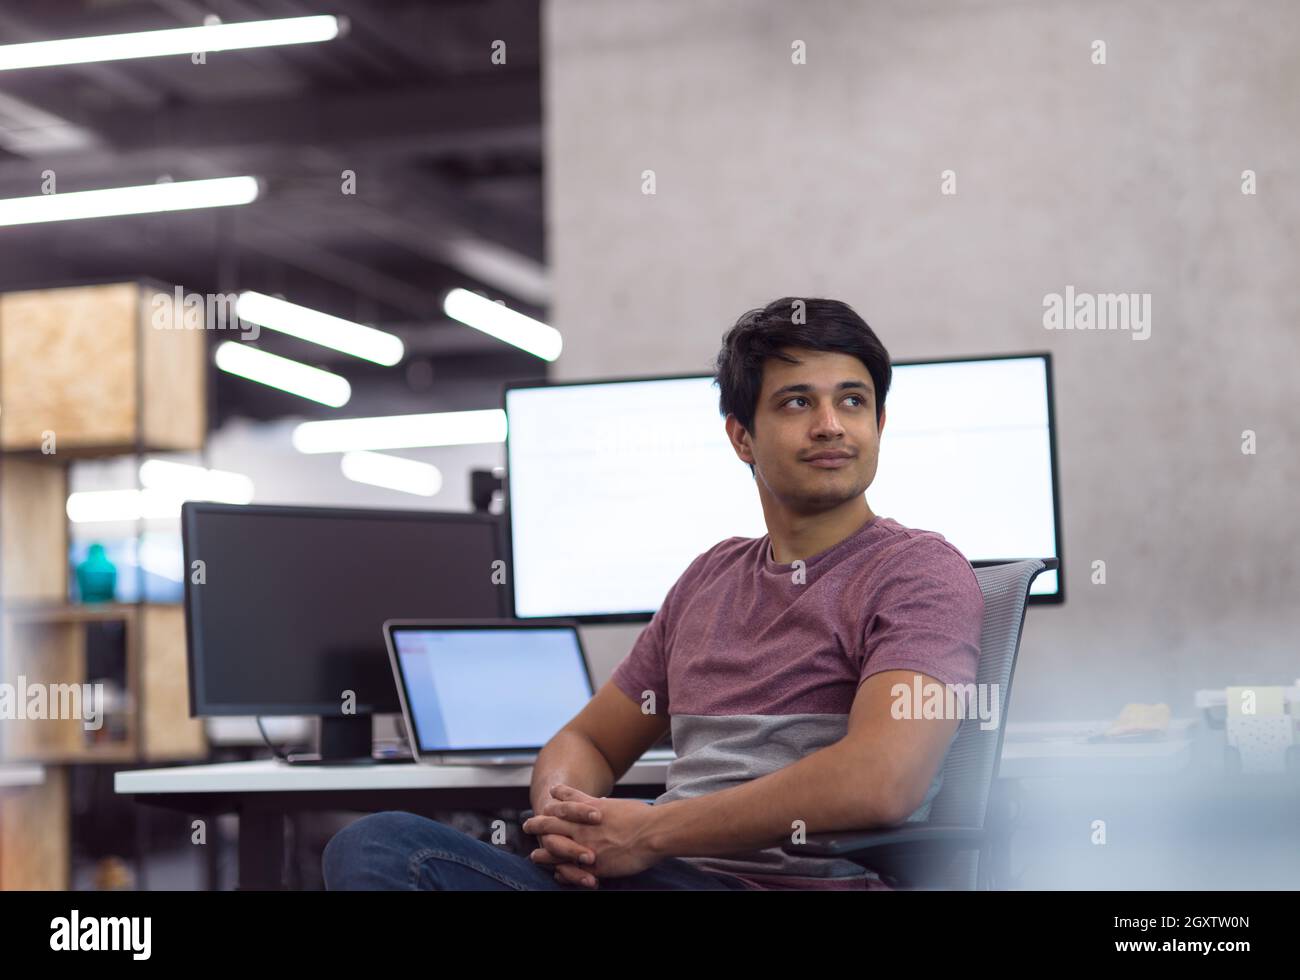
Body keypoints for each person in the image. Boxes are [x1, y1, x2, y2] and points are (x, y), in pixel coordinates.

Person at [323, 297, 984, 890]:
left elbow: (883, 780)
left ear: (878, 422)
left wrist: (645, 834)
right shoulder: (709, 580)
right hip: (651, 875)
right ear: (741, 437)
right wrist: (570, 821)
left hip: (766, 885)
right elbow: (591, 743)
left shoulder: (918, 572)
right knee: (376, 845)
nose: (831, 425)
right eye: (796, 402)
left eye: (852, 401)